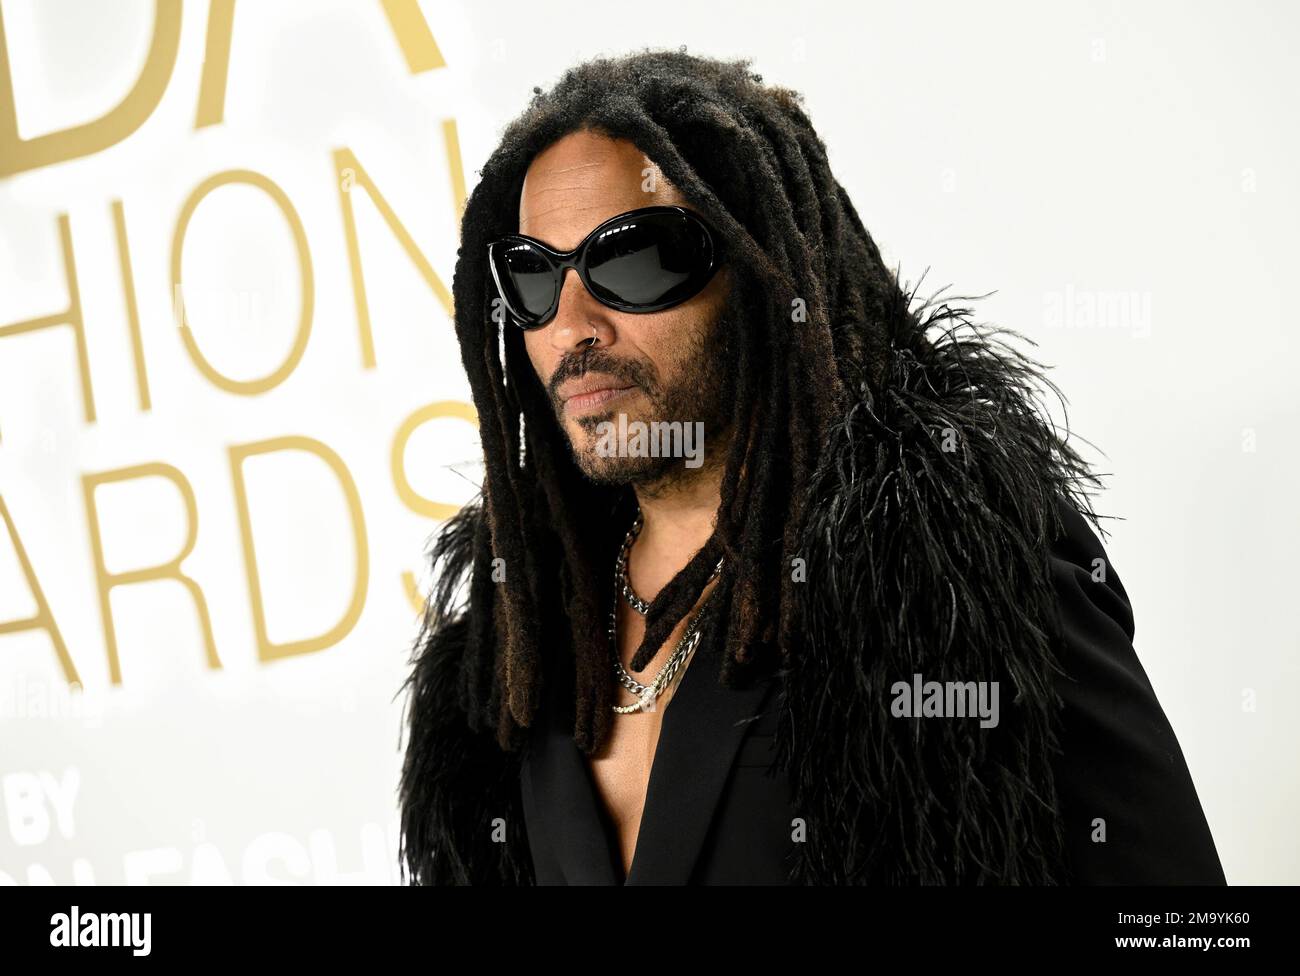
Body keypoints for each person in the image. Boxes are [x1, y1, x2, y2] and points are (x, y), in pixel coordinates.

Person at [397, 49, 1226, 885]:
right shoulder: (518, 639)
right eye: (533, 278)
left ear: (760, 271)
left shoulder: (952, 583)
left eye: (632, 259)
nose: (572, 324)